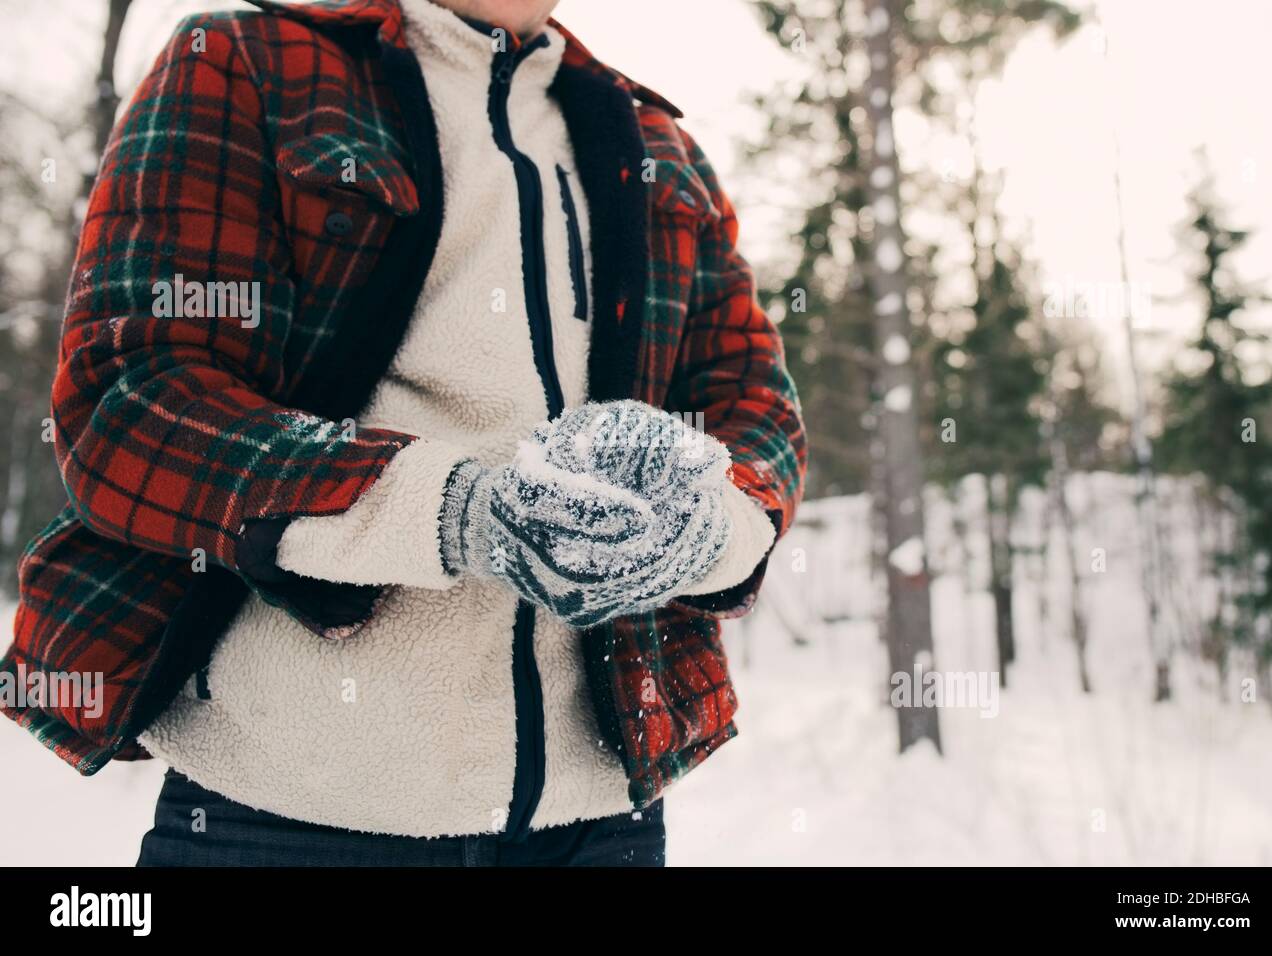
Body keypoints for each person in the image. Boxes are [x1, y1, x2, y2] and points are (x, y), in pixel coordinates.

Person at [0, 0, 806, 867]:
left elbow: (755, 412)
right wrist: (454, 512)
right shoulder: (246, 61)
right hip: (289, 813)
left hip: (603, 818)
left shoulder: (658, 148)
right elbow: (130, 396)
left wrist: (708, 526)